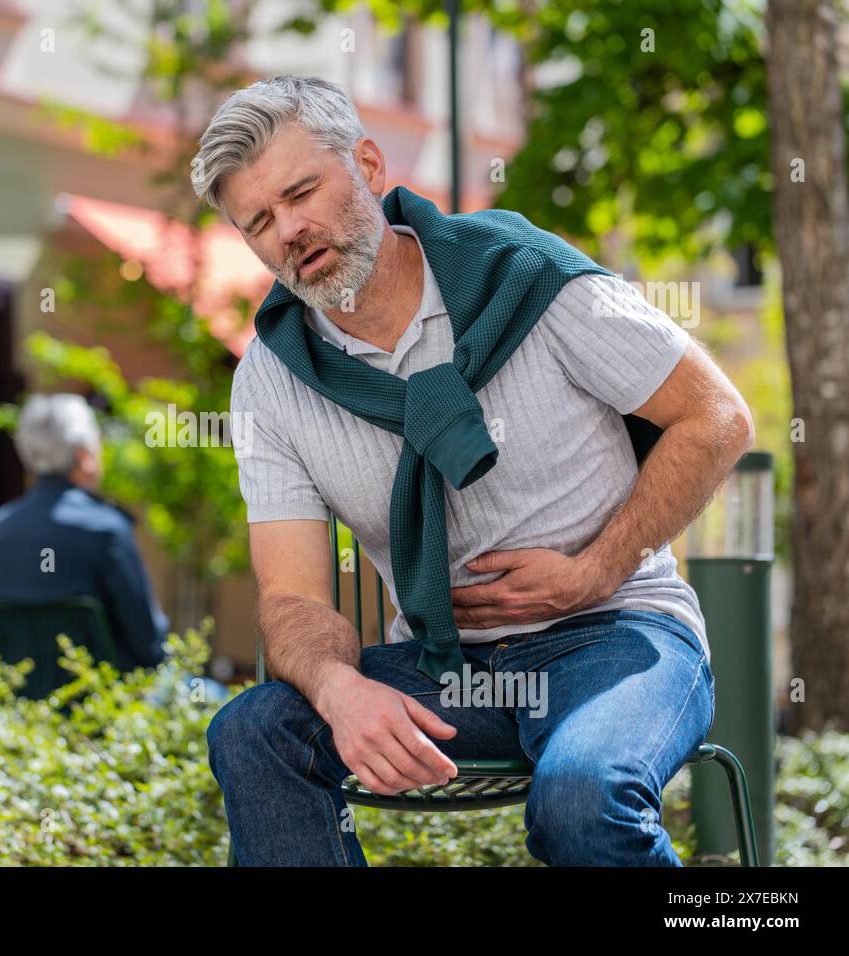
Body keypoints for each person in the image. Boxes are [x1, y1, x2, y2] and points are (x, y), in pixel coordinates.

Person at [192, 75, 754, 865]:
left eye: (301, 191)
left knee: (582, 795)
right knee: (254, 732)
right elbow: (291, 596)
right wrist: (339, 688)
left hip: (620, 635)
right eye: (258, 221)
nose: (289, 229)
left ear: (369, 165)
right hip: (449, 670)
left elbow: (717, 418)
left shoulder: (525, 277)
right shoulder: (272, 379)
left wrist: (594, 571)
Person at [0, 393, 170, 674]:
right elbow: (148, 642)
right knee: (211, 695)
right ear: (84, 455)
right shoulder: (107, 528)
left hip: (15, 702)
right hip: (102, 703)